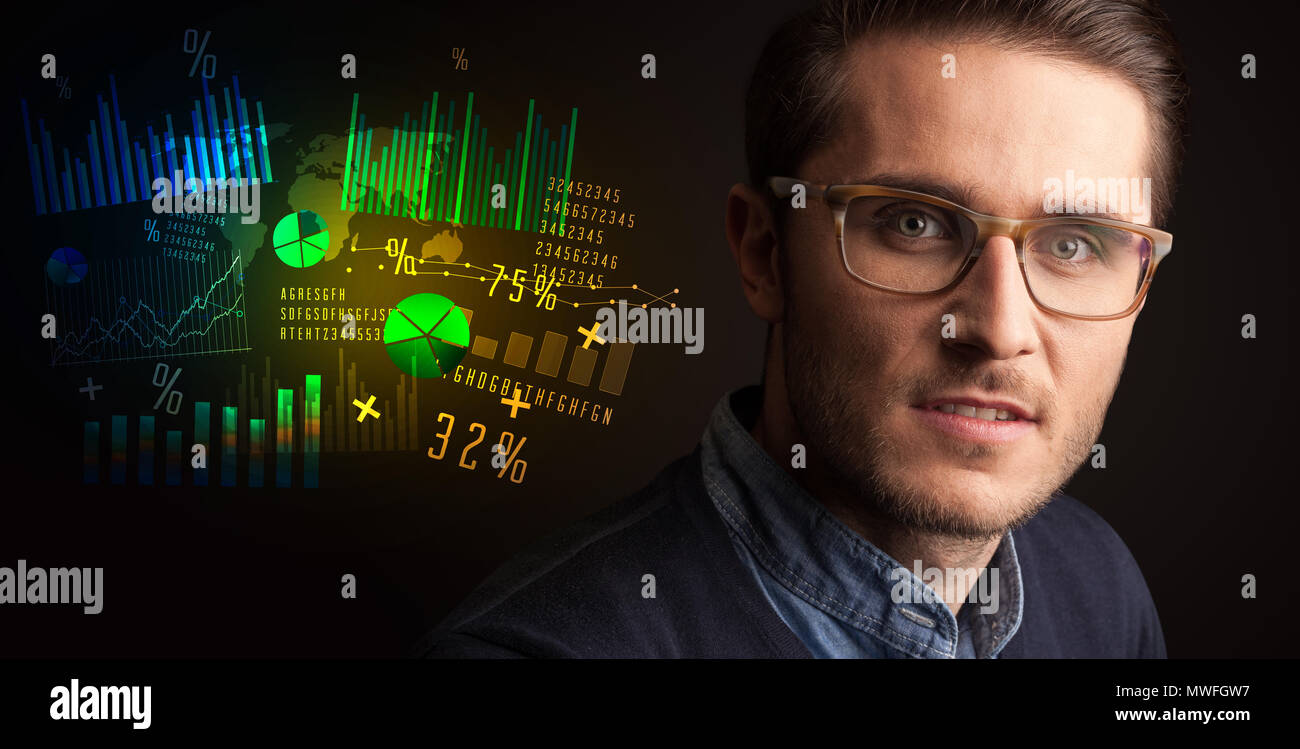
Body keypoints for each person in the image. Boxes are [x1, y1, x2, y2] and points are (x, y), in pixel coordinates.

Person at [418, 0, 1185, 658]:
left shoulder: (1102, 587)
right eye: (914, 223)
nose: (998, 328)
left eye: (1075, 244)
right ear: (764, 253)